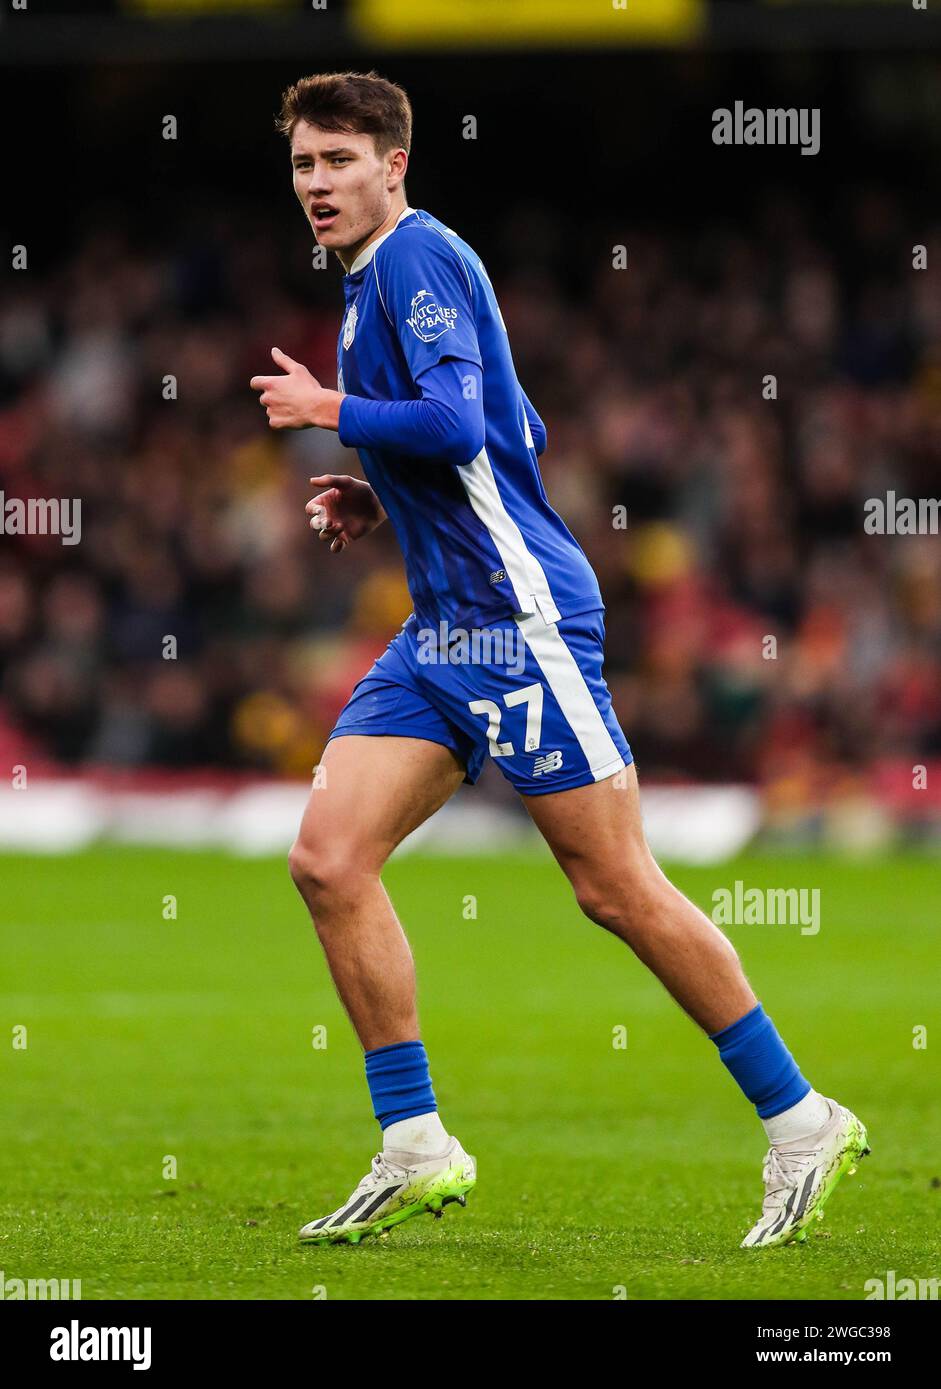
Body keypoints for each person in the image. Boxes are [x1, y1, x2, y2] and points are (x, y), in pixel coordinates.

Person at [250, 70, 869, 1249]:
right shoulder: (371, 278)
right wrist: (383, 499)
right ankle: (413, 1142)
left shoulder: (419, 259)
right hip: (442, 625)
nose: (317, 184)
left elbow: (463, 424)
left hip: (516, 619)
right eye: (302, 165)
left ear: (394, 167)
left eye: (338, 161)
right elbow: (513, 432)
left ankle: (800, 1120)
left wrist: (333, 408)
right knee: (329, 859)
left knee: (613, 886)